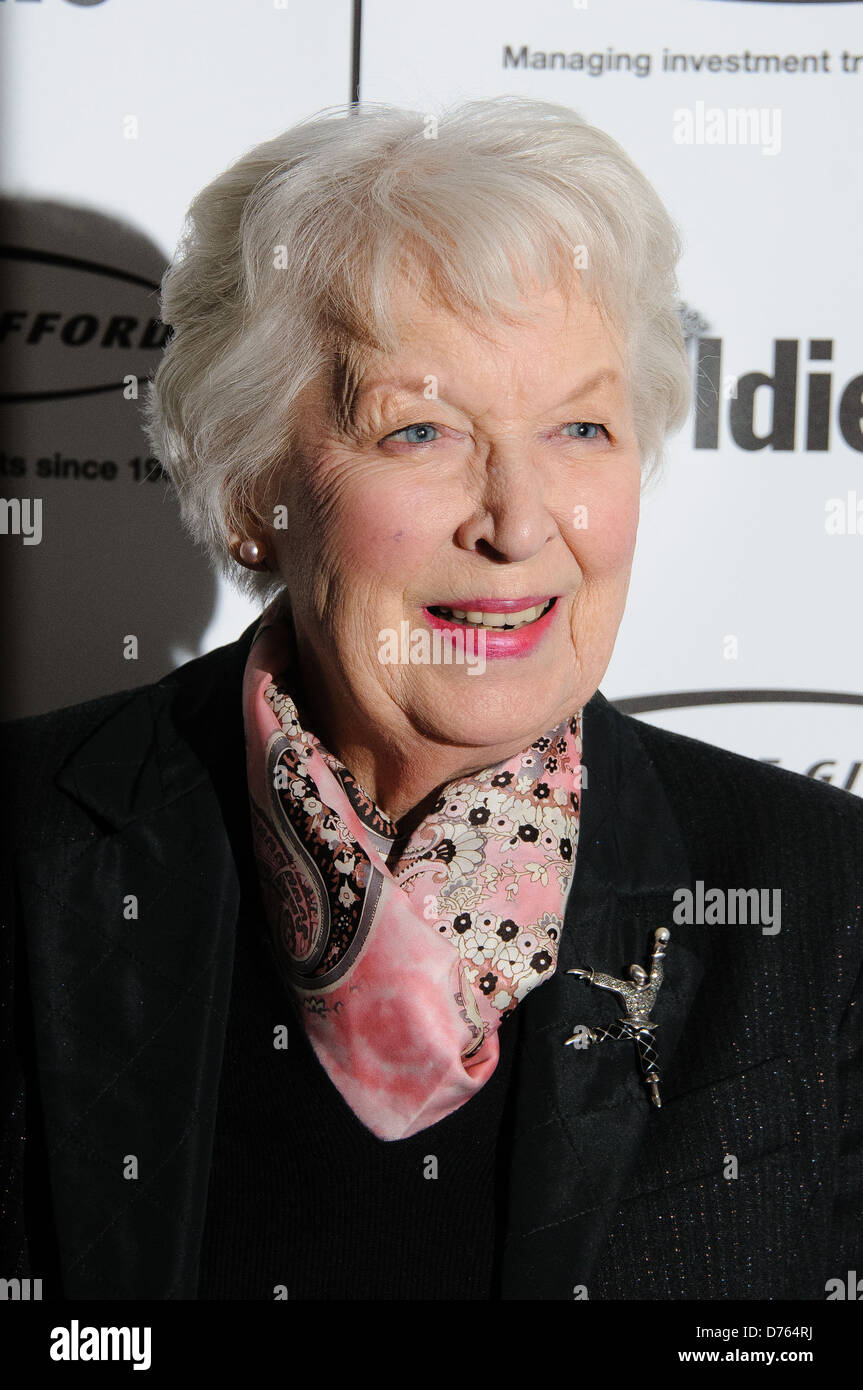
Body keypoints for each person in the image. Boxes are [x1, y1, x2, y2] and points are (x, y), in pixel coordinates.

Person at [1, 96, 860, 1302]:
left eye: (578, 425)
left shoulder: (822, 894)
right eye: (419, 430)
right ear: (255, 488)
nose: (516, 522)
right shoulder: (29, 840)